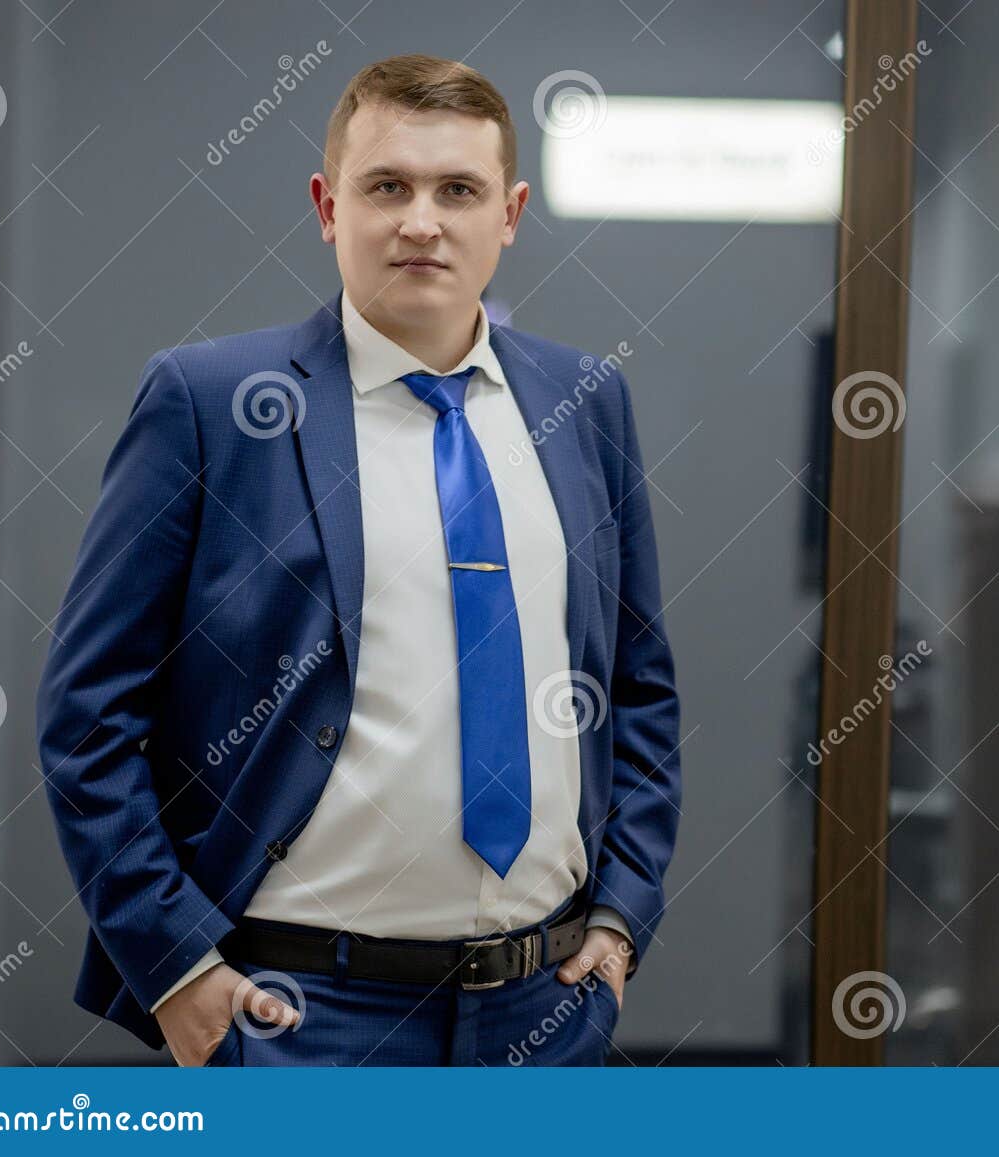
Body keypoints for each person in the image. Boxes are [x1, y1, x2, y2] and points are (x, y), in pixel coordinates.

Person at [35, 54, 682, 1067]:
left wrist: (622, 915)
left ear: (509, 214)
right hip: (300, 1017)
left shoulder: (585, 400)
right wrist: (177, 966)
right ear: (329, 207)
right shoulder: (214, 403)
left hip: (546, 1011)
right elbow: (88, 713)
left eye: (457, 190)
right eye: (388, 186)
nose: (422, 222)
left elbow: (638, 685)